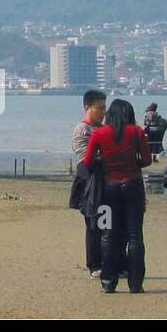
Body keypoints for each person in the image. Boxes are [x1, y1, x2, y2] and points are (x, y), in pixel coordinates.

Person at [83, 98, 152, 293]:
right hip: (133, 186)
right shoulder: (137, 132)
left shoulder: (99, 133)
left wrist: (103, 160)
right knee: (135, 236)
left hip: (108, 189)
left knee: (108, 235)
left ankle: (108, 282)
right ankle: (135, 284)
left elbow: (87, 162)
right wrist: (134, 162)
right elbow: (146, 160)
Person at [71, 89, 107, 275]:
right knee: (93, 225)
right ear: (87, 108)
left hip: (104, 181)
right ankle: (94, 264)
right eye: (98, 108)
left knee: (105, 223)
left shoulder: (102, 128)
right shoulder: (83, 129)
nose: (102, 113)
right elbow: (85, 156)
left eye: (104, 108)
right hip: (89, 181)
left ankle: (107, 260)